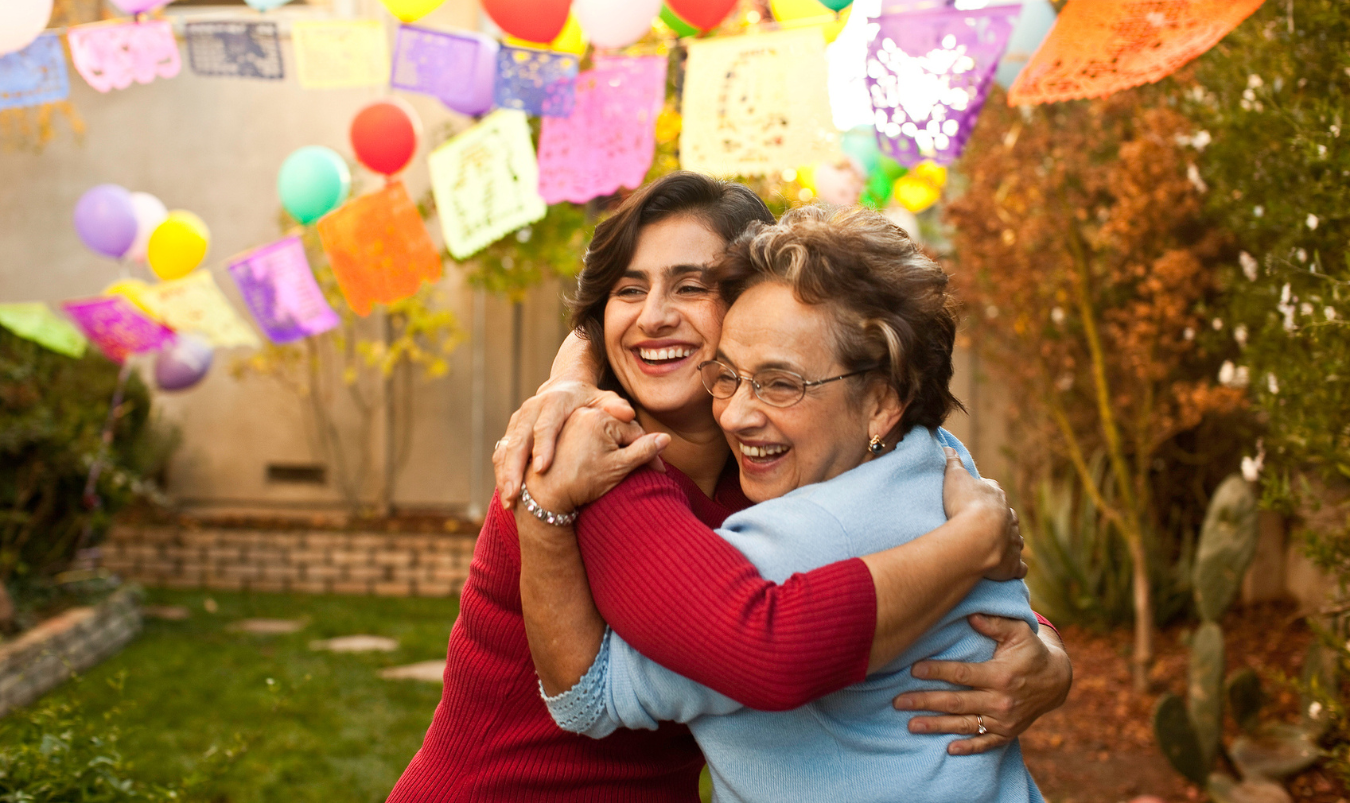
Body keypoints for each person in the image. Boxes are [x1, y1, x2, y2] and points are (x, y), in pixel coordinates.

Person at [386, 173, 1070, 803]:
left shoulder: (774, 465)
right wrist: (973, 542)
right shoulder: (597, 462)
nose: (653, 315)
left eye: (690, 286)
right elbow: (761, 648)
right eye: (629, 289)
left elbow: (905, 526)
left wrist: (1043, 653)